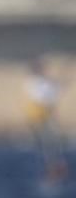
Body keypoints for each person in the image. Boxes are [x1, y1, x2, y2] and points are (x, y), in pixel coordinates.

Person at [24, 57, 68, 187]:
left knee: (52, 142)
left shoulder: (38, 81)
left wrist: (57, 86)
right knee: (48, 142)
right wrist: (58, 86)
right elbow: (46, 94)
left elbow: (50, 92)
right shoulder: (34, 82)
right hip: (39, 117)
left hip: (44, 116)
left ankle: (55, 166)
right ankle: (53, 167)